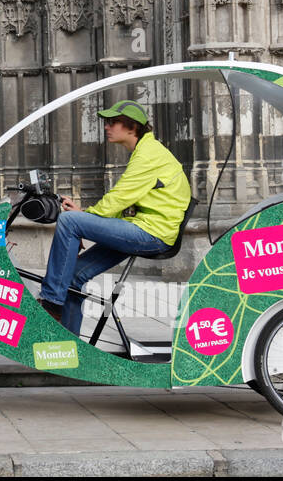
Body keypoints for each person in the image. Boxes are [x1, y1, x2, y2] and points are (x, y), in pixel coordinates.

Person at [37, 100, 190, 338]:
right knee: (74, 275)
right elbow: (124, 202)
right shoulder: (145, 151)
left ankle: (50, 301)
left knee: (68, 222)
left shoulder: (149, 154)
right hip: (142, 229)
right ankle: (68, 349)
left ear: (132, 127)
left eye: (113, 122)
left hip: (151, 234)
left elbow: (119, 198)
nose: (107, 127)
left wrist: (82, 218)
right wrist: (86, 217)